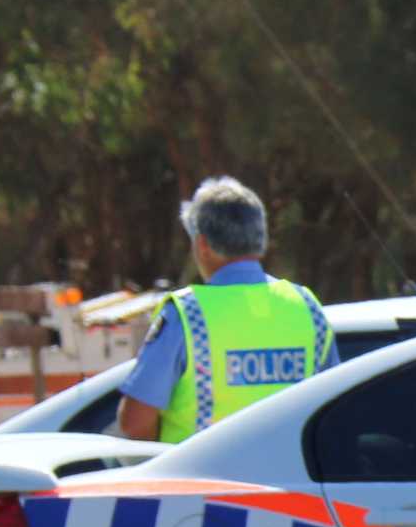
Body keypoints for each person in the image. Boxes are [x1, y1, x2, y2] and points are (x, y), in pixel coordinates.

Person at [115, 176, 331, 443]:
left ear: (202, 244)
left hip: (202, 480)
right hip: (290, 480)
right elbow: (332, 406)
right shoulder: (306, 306)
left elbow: (135, 423)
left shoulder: (187, 313)